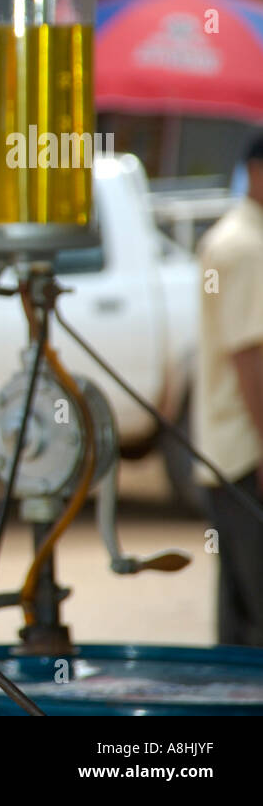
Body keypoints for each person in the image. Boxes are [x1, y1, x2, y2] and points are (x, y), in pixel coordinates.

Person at [193, 134, 263, 648]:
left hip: (231, 449)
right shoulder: (245, 246)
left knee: (241, 607)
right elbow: (251, 358)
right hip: (245, 451)